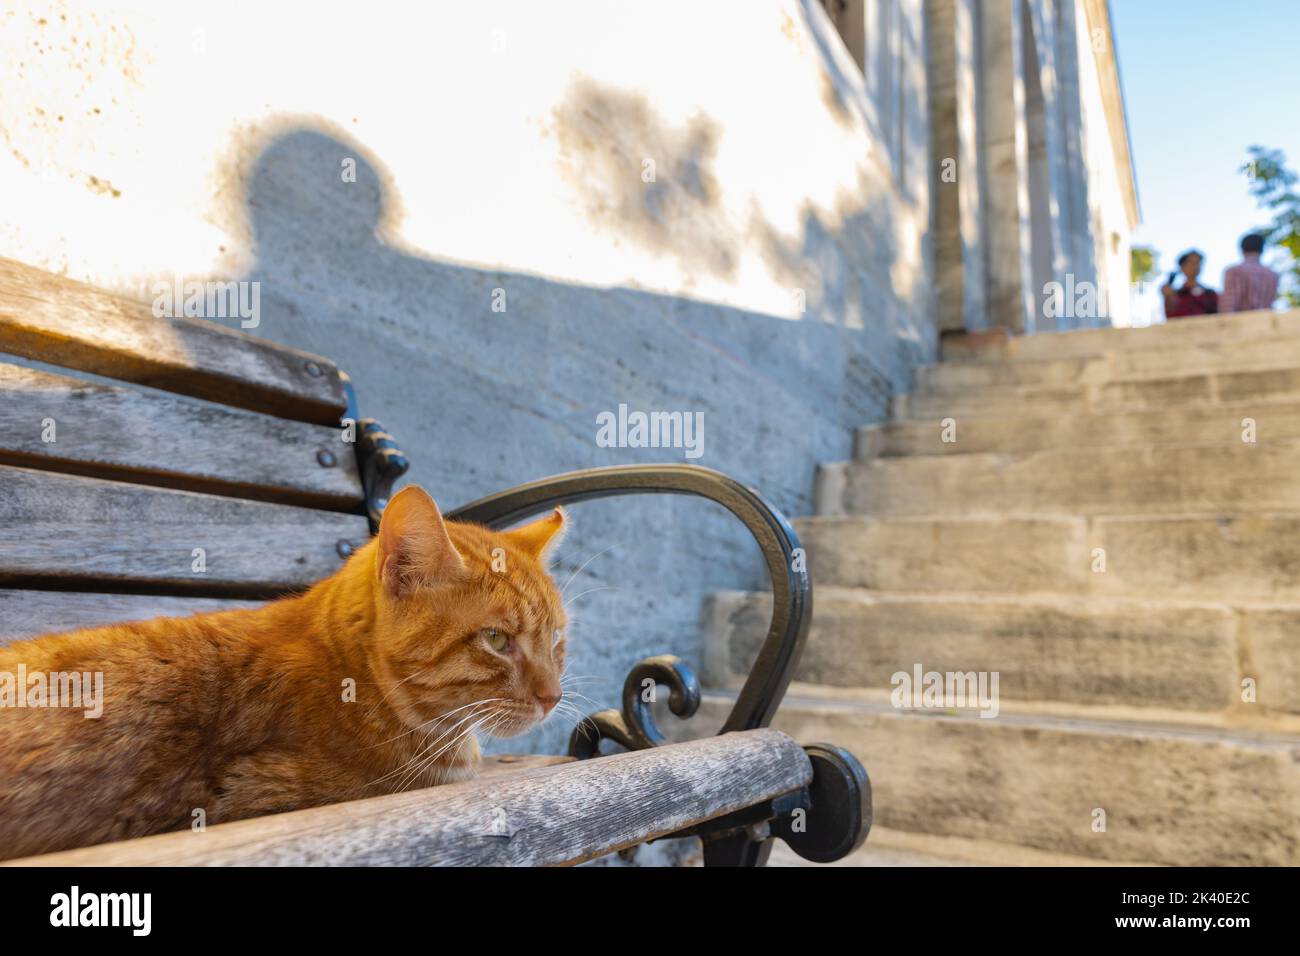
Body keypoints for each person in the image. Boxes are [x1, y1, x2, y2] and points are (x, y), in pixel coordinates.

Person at [1220, 233, 1280, 314]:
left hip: (1240, 323)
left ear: (1242, 249)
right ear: (1262, 250)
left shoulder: (1233, 271)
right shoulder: (1273, 275)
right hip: (1265, 322)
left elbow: (1227, 305)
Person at [1162, 249, 1218, 319]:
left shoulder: (1210, 293)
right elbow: (1171, 315)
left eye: (1198, 263)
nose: (1195, 267)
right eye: (1191, 263)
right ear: (1182, 267)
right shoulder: (1176, 295)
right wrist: (1168, 298)